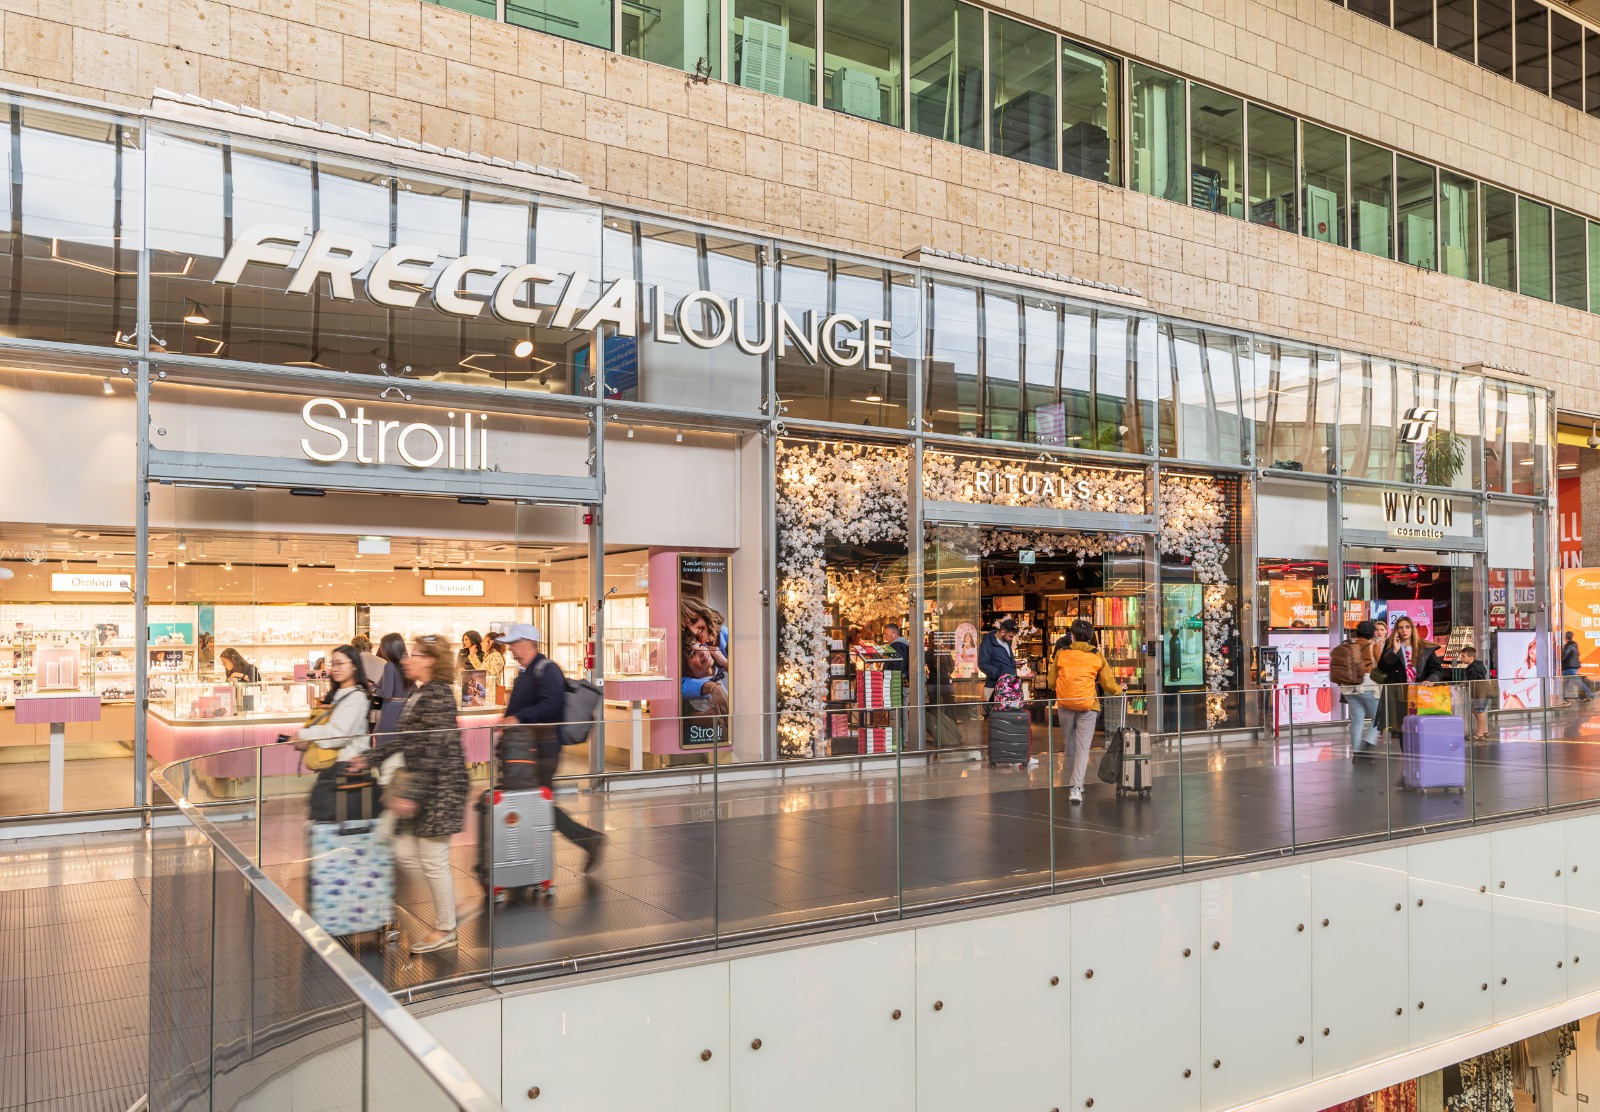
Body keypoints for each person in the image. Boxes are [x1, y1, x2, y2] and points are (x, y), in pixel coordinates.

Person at [349, 634, 470, 954]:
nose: (406, 659)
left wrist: (411, 795)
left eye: (414, 655)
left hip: (440, 789)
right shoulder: (422, 692)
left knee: (432, 858)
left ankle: (446, 927)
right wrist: (370, 758)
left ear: (430, 661)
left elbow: (433, 751)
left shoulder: (438, 696)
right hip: (427, 787)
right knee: (404, 850)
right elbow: (406, 740)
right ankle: (451, 904)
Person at [497, 624, 606, 872]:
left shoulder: (547, 670)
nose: (511, 648)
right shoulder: (526, 673)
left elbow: (551, 706)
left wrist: (517, 718)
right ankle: (525, 860)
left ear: (529, 642)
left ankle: (588, 840)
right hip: (523, 751)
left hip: (542, 751)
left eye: (515, 643)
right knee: (528, 803)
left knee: (536, 803)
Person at [289, 645, 374, 821]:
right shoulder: (340, 694)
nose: (335, 668)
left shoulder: (357, 697)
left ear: (355, 665)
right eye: (333, 664)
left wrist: (304, 734)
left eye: (340, 663)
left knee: (340, 825)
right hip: (335, 768)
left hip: (348, 769)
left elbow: (338, 734)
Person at [1053, 619, 1122, 804]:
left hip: (1065, 706)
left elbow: (1052, 682)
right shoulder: (1096, 655)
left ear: (1072, 636)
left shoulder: (1061, 653)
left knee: (1070, 747)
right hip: (1088, 706)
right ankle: (1076, 787)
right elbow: (1108, 684)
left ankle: (1070, 781)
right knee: (1083, 749)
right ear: (1091, 637)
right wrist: (1119, 690)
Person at [1378, 616, 1445, 734]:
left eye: (1407, 627)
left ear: (1412, 629)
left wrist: (1431, 679)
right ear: (1396, 630)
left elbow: (1437, 669)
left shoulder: (1425, 647)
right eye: (1401, 628)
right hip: (1399, 695)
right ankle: (1407, 752)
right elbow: (1382, 668)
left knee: (1421, 729)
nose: (1404, 630)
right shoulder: (1391, 645)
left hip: (1421, 694)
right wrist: (1394, 651)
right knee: (1402, 729)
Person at [1334, 620, 1381, 757]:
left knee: (1357, 721)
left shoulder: (1349, 646)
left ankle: (1357, 753)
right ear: (1371, 633)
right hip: (1367, 686)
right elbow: (1381, 665)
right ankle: (1369, 742)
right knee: (1379, 717)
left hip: (1348, 688)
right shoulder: (1373, 647)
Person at [373, 632, 411, 739]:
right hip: (405, 708)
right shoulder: (407, 664)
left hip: (391, 710)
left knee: (384, 742)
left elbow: (386, 694)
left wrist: (372, 689)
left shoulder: (389, 666)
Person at [978, 618, 1020, 706]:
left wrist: (1013, 664)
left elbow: (1001, 660)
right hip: (994, 686)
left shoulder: (1006, 642)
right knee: (997, 715)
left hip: (1009, 685)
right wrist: (1001, 674)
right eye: (1010, 636)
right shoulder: (987, 643)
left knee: (1008, 716)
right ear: (1003, 631)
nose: (1011, 639)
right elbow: (983, 664)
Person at [1460, 645, 1493, 740]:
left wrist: (1465, 683)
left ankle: (1480, 734)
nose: (1461, 658)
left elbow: (1471, 681)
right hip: (1481, 692)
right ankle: (1485, 731)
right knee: (1477, 711)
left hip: (1479, 692)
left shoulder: (1472, 669)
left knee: (1479, 711)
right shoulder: (1479, 665)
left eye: (1463, 656)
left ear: (1471, 657)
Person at [1563, 631, 1595, 702]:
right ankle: (1563, 696)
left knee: (1571, 682)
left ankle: (1590, 694)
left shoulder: (1568, 646)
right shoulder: (1575, 645)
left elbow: (1564, 656)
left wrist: (1560, 659)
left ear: (1566, 637)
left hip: (1568, 667)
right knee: (1569, 682)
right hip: (1573, 667)